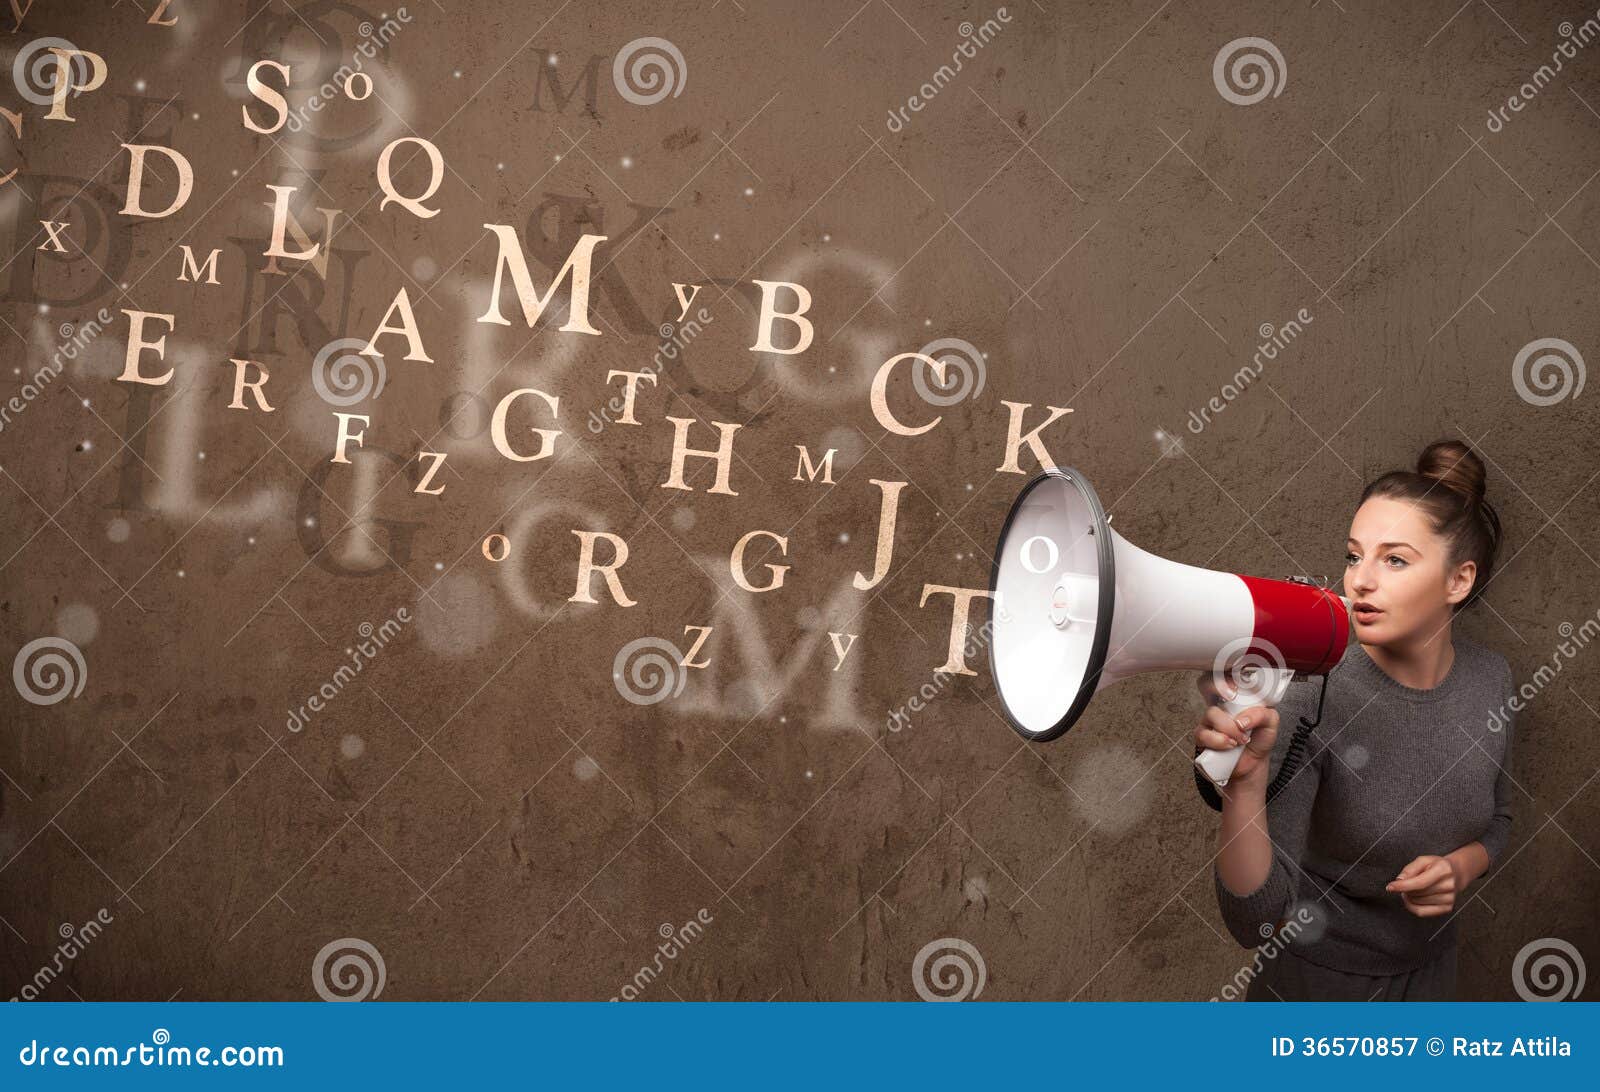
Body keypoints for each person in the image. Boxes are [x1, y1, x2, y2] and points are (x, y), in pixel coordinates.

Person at [1193, 439, 1514, 1000]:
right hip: (1313, 991)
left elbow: (1500, 820)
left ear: (1458, 581)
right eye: (1353, 555)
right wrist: (1243, 785)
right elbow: (1255, 923)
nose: (1361, 580)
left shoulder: (1493, 680)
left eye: (1394, 559)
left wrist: (1462, 867)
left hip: (1433, 978)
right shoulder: (1312, 693)